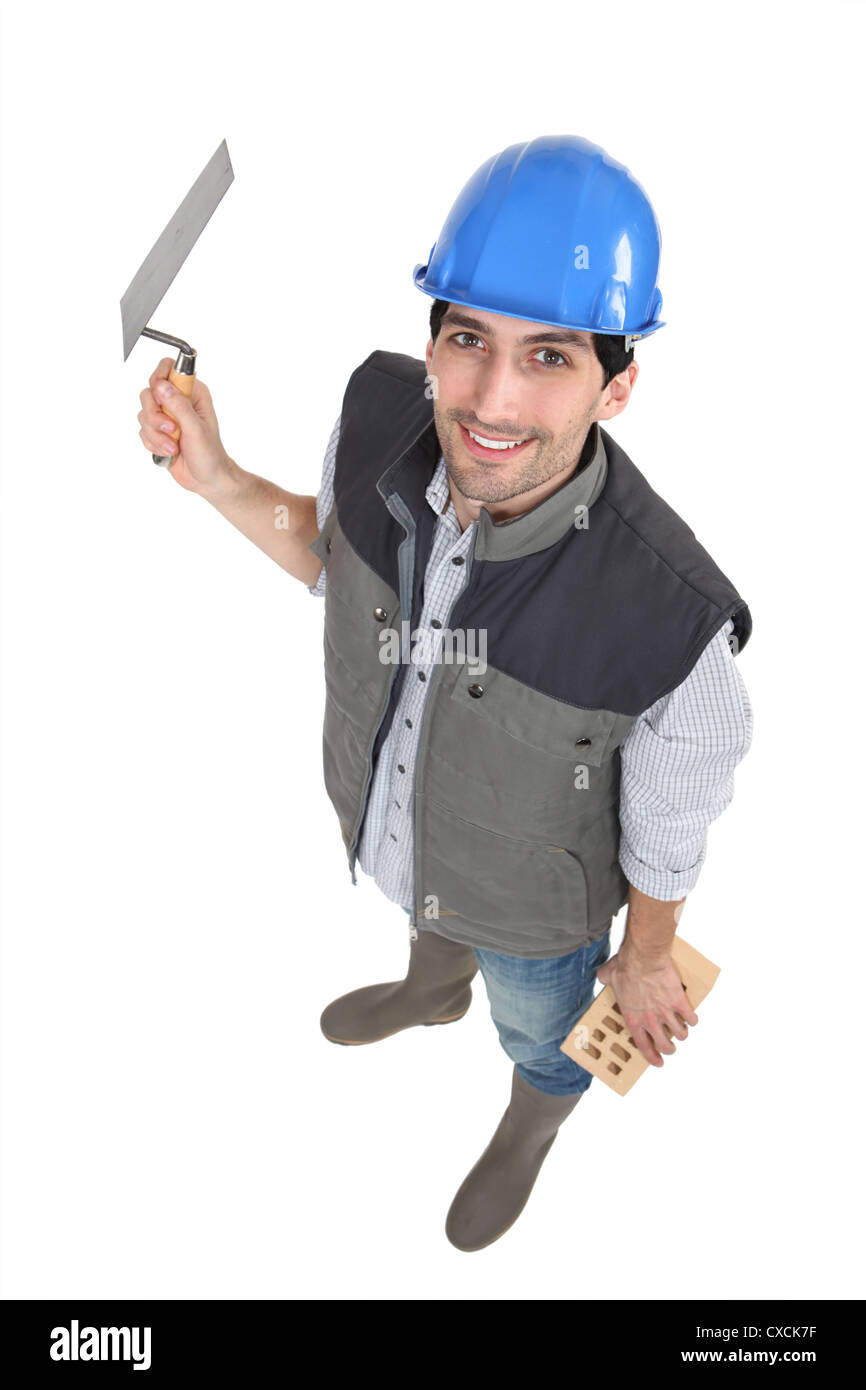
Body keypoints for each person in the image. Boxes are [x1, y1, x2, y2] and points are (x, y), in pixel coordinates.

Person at [135, 134, 753, 1253]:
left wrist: (649, 954)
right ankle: (430, 988)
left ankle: (531, 1109)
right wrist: (220, 478)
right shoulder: (378, 421)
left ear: (616, 382)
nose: (490, 398)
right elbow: (336, 559)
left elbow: (668, 837)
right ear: (432, 333)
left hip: (533, 921)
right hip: (397, 829)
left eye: (549, 357)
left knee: (539, 1026)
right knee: (421, 902)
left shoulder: (666, 622)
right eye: (467, 339)